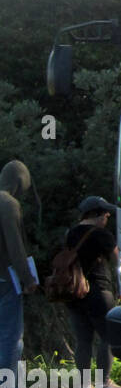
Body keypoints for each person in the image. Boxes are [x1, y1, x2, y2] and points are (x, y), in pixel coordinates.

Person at [65, 196, 121, 388]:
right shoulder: (101, 234)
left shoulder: (70, 234)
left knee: (83, 340)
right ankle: (104, 383)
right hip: (99, 291)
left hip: (73, 293)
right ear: (96, 214)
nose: (108, 215)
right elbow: (119, 259)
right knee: (108, 337)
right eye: (105, 212)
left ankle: (83, 385)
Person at [0, 159, 41, 376]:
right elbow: (15, 247)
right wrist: (28, 279)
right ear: (19, 183)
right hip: (5, 279)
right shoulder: (8, 205)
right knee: (10, 335)